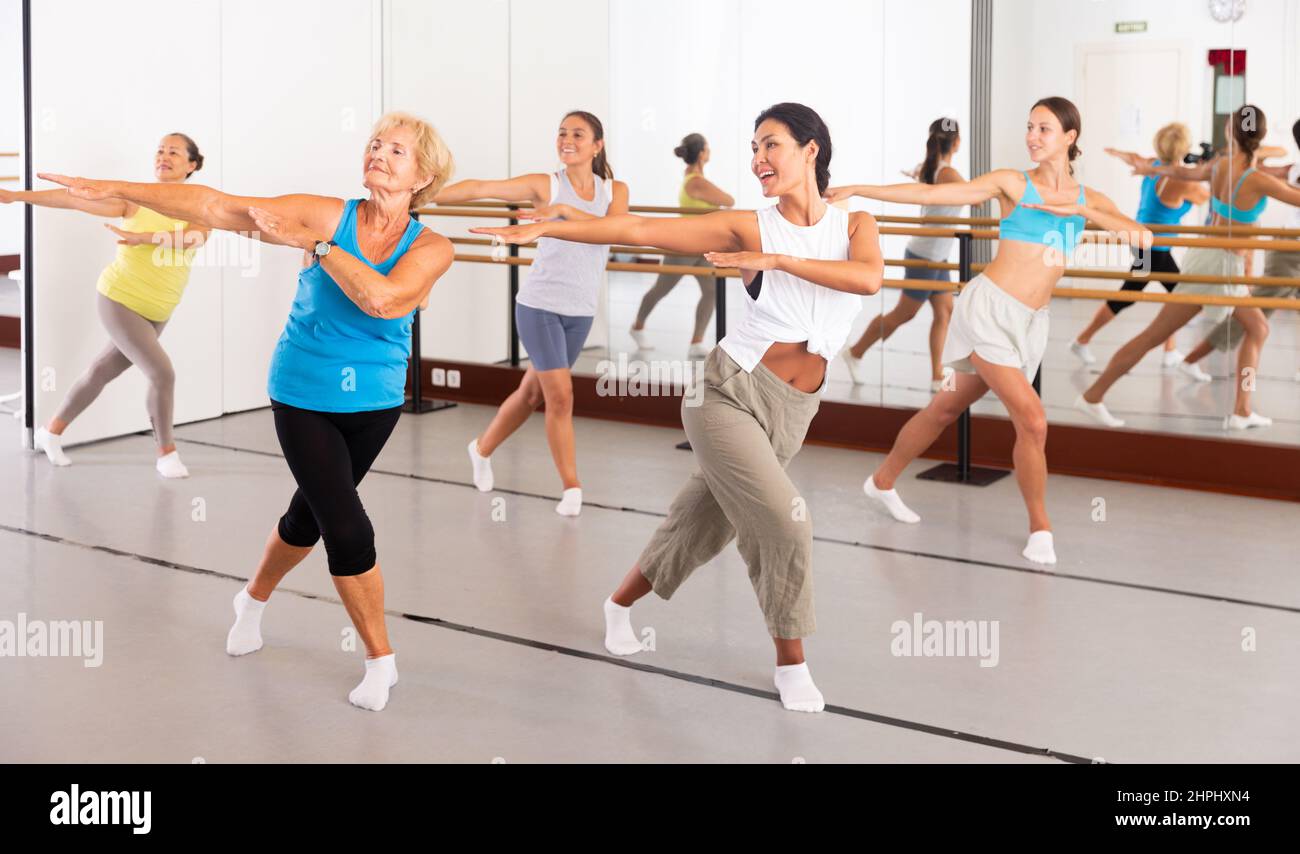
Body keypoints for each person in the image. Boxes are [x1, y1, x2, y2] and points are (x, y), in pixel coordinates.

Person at [473, 102, 883, 713]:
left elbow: (868, 279)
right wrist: (551, 228)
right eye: (753, 147)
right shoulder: (749, 224)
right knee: (786, 519)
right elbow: (636, 230)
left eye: (770, 145)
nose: (758, 160)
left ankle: (617, 606)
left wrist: (778, 262)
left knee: (701, 524)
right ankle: (792, 665)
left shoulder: (855, 225)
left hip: (795, 409)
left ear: (811, 150)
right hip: (727, 395)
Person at [42, 111, 456, 712]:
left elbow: (384, 300)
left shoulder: (433, 247)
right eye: (374, 145)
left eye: (396, 151)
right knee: (346, 526)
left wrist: (315, 249)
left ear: (422, 176)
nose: (379, 154)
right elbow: (216, 205)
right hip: (302, 393)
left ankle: (252, 599)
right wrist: (119, 190)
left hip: (376, 403)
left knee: (306, 518)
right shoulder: (325, 213)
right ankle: (380, 661)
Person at [827, 97, 1150, 566]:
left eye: (1044, 129)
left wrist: (1080, 210)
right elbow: (932, 196)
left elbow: (1142, 239)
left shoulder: (1092, 199)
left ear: (1070, 138)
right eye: (1029, 127)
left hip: (1031, 323)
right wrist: (860, 189)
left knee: (945, 408)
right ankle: (1041, 527)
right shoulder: (1012, 184)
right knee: (1033, 420)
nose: (1032, 137)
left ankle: (880, 482)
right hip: (989, 314)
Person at [434, 111, 629, 517]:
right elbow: (485, 188)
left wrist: (564, 215)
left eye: (578, 134)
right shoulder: (547, 184)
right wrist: (429, 193)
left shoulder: (615, 191)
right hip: (539, 305)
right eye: (561, 133)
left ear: (598, 145)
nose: (566, 139)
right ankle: (572, 486)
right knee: (560, 396)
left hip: (580, 312)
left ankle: (481, 448)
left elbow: (616, 230)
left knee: (531, 393)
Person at [1077, 105, 1300, 431]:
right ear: (1261, 136)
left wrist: (1150, 168)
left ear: (1228, 132)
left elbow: (1182, 172)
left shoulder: (1221, 166)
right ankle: (1093, 396)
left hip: (1214, 261)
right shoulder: (1256, 179)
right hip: (1222, 266)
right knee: (1157, 335)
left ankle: (1242, 409)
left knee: (1256, 329)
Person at [2, 134, 210, 476]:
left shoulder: (199, 206)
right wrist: (17, 196)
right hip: (120, 299)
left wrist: (144, 238)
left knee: (100, 372)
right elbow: (73, 200)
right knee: (162, 373)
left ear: (192, 165)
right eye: (159, 150)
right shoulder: (135, 201)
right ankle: (166, 454)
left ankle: (49, 432)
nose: (163, 156)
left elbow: (193, 239)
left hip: (159, 308)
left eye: (173, 152)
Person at [1070, 124, 1209, 372]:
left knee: (1167, 297)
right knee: (1174, 298)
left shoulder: (1153, 165)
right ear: (1184, 148)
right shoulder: (1179, 181)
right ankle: (1082, 340)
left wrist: (1117, 153)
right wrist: (1203, 168)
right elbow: (1206, 196)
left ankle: (1169, 351)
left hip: (1146, 243)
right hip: (1152, 249)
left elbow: (1133, 158)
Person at [841, 118, 963, 392]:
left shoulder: (930, 168)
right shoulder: (949, 175)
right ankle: (855, 351)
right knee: (903, 314)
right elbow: (976, 195)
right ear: (957, 142)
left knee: (945, 312)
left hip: (935, 253)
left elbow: (923, 175)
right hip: (925, 255)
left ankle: (936, 376)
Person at [630, 132, 734, 357]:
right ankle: (637, 327)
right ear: (701, 153)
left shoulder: (695, 177)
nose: (710, 151)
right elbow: (729, 200)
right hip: (684, 246)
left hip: (702, 248)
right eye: (707, 148)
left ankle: (696, 342)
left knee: (711, 292)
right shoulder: (697, 182)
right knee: (661, 290)